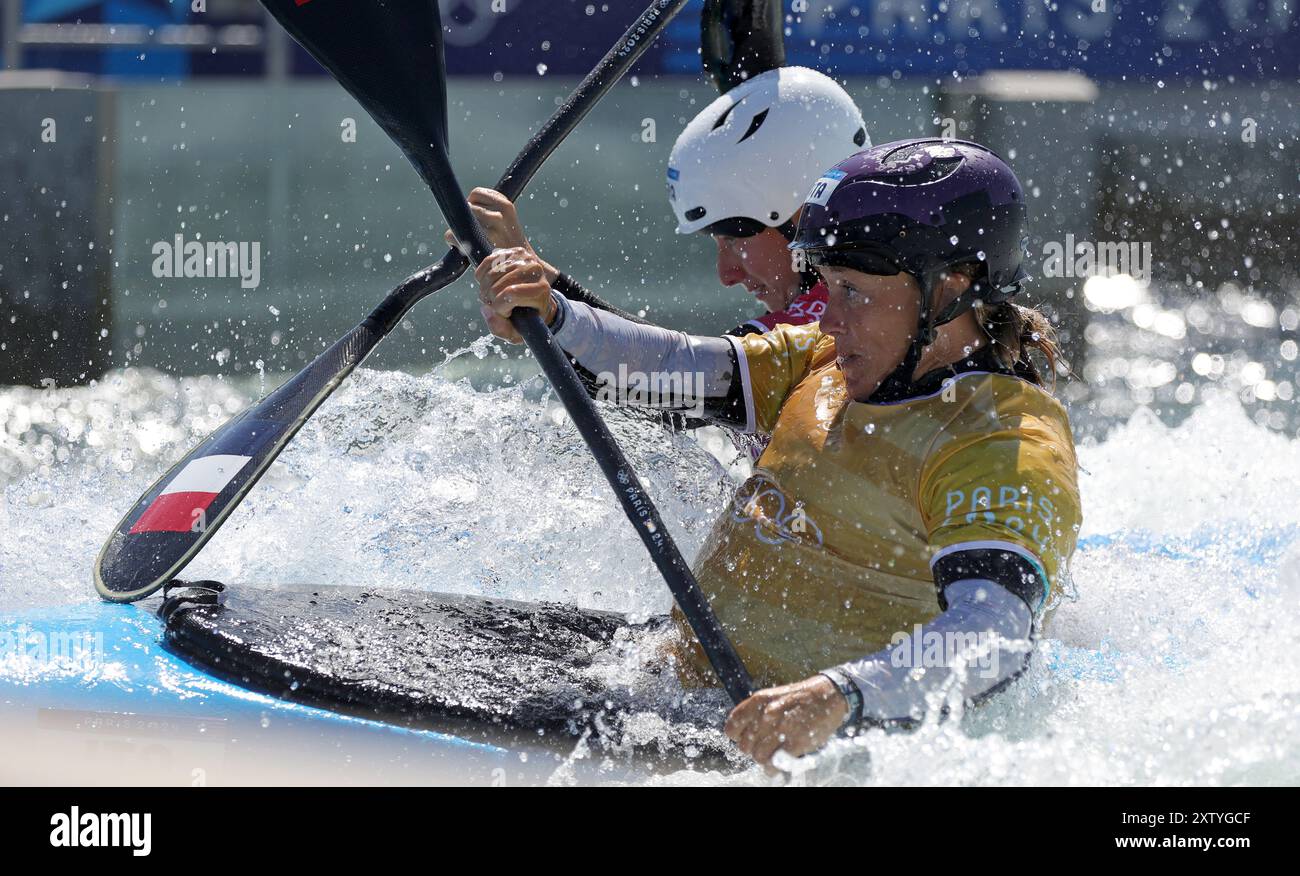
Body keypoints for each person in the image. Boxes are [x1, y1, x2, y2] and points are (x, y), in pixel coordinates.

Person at [473, 138, 1082, 770]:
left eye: (854, 292)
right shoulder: (825, 358)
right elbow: (673, 372)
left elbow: (995, 635)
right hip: (675, 698)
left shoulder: (1001, 440)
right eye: (831, 286)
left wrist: (838, 696)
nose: (831, 315)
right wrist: (552, 311)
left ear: (949, 288)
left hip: (806, 755)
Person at [453, 66, 868, 339]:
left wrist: (553, 315)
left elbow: (675, 386)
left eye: (733, 236)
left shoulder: (836, 332)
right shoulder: (883, 294)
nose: (726, 273)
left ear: (805, 215)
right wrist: (547, 292)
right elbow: (682, 373)